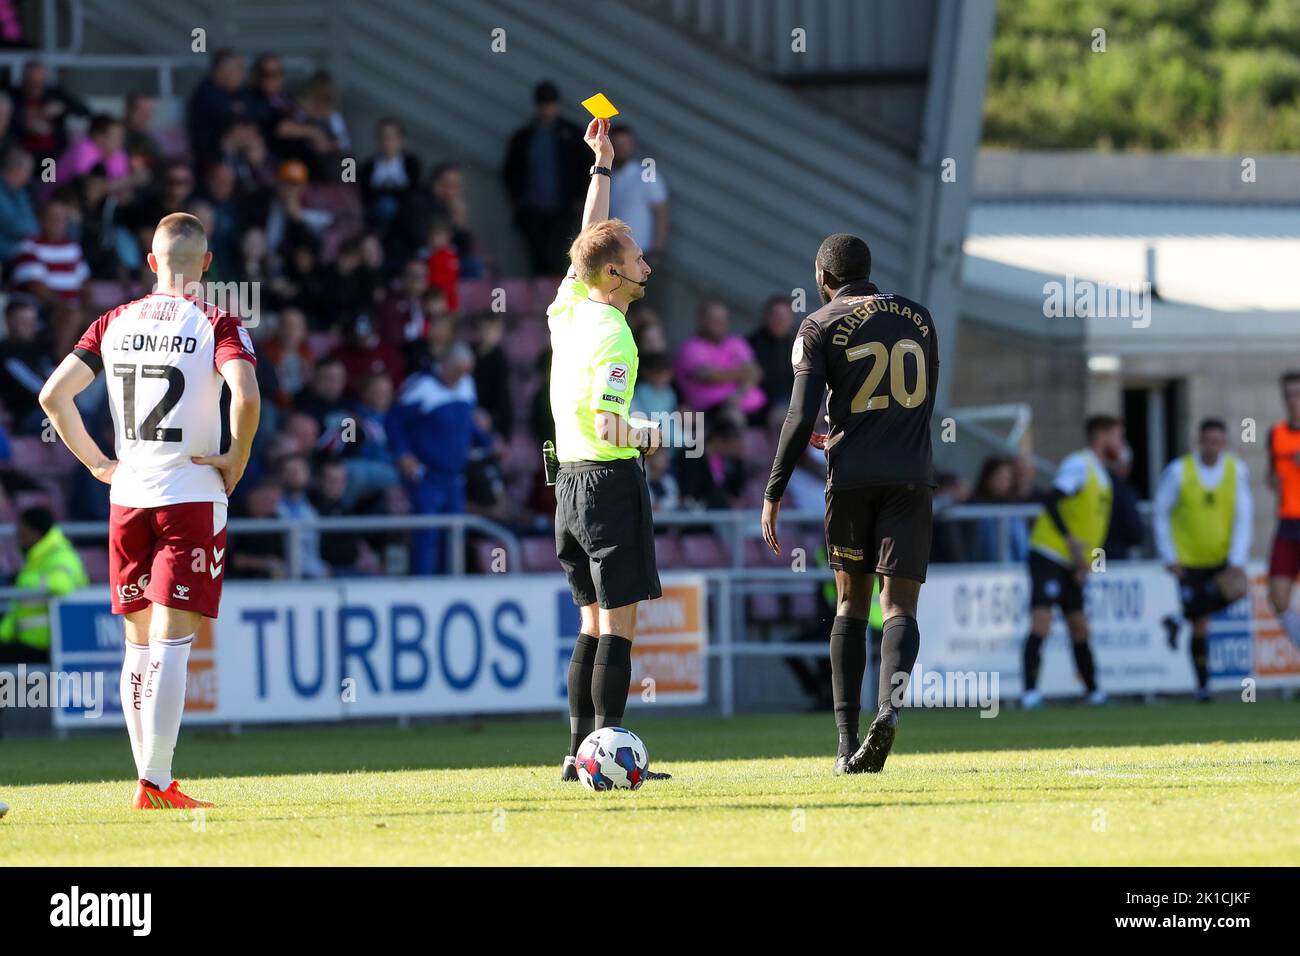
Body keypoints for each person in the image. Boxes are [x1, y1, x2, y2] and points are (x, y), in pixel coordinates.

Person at [38, 211, 260, 810]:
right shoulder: (216, 321)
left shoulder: (113, 320)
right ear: (207, 265)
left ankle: (150, 779)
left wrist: (97, 464)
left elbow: (53, 396)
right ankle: (157, 782)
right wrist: (235, 457)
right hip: (188, 494)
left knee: (137, 647)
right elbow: (245, 391)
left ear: (151, 263)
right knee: (173, 646)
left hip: (127, 495)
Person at [762, 233, 939, 776]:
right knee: (900, 607)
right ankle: (889, 708)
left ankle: (844, 742)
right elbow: (920, 399)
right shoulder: (920, 317)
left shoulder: (818, 325)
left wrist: (774, 490)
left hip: (853, 477)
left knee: (850, 605)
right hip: (911, 474)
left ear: (822, 278)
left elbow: (798, 417)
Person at [550, 117, 668, 784]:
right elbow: (608, 419)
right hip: (607, 481)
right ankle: (609, 759)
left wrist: (601, 165)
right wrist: (652, 434)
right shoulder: (617, 337)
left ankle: (576, 754)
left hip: (567, 483)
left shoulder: (571, 308)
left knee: (591, 624)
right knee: (618, 628)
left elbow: (582, 249)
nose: (644, 256)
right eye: (635, 252)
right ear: (617, 274)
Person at [1022, 415, 1124, 710]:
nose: (1120, 444)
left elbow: (1091, 523)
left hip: (1074, 564)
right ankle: (1030, 695)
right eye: (1117, 436)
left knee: (1079, 625)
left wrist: (1085, 564)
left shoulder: (1103, 475)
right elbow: (1052, 500)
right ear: (1101, 436)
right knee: (1042, 621)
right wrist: (1069, 540)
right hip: (1049, 554)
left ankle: (1093, 692)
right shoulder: (1079, 464)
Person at [1153, 419, 1252, 700]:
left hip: (1222, 557)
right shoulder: (1179, 470)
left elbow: (1243, 516)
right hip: (1189, 560)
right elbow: (1161, 512)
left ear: (1225, 443)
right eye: (1207, 440)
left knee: (1238, 591)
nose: (1212, 446)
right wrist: (1169, 554)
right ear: (1199, 441)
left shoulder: (1236, 469)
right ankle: (1202, 686)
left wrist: (1237, 557)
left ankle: (1175, 619)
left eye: (1217, 441)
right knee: (1201, 623)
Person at [385, 342, 492, 574]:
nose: (460, 378)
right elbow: (394, 422)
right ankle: (423, 586)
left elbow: (465, 424)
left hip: (454, 475)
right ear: (444, 364)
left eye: (465, 373)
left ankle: (451, 584)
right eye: (457, 371)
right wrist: (403, 454)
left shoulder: (465, 384)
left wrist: (486, 441)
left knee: (455, 535)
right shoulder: (420, 386)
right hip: (426, 474)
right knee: (427, 533)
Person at [502, 80, 588, 276]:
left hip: (564, 207)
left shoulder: (572, 134)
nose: (547, 109)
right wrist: (516, 199)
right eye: (543, 104)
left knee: (560, 253)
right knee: (536, 255)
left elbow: (587, 166)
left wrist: (580, 198)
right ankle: (540, 301)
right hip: (532, 207)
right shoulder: (525, 136)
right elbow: (510, 170)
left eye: (550, 104)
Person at [0, 506, 89, 664]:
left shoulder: (60, 555)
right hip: (28, 640)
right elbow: (18, 609)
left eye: (23, 534)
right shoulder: (37, 556)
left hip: (48, 645)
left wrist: (26, 582)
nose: (19, 539)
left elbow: (61, 585)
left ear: (36, 532)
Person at [674, 298, 765, 416]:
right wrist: (744, 373)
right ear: (701, 321)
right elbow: (710, 376)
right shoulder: (691, 347)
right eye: (714, 319)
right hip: (712, 411)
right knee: (733, 416)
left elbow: (757, 372)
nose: (719, 323)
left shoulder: (736, 342)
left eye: (723, 319)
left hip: (753, 406)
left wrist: (740, 393)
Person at [1267, 371, 1300, 650]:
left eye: (1297, 394)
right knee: (1278, 598)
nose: (1292, 401)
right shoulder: (1276, 433)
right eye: (1288, 394)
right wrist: (1273, 481)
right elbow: (1271, 475)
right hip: (1288, 524)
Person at [608, 125, 668, 264]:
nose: (621, 148)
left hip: (641, 252)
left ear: (633, 146)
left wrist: (657, 247)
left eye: (625, 144)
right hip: (612, 252)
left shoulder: (646, 175)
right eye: (617, 144)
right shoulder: (607, 175)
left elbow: (662, 211)